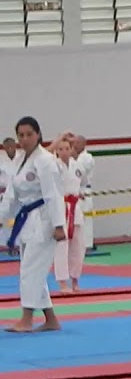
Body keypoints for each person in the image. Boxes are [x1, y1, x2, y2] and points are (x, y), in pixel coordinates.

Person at [0, 118, 66, 332]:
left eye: (29, 134)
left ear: (38, 134)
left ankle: (26, 319)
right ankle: (51, 319)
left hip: (45, 219)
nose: (24, 139)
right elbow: (11, 197)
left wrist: (59, 225)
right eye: (21, 135)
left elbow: (53, 195)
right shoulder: (20, 160)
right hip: (28, 220)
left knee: (30, 270)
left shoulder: (46, 161)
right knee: (34, 269)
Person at [53, 136, 87, 292]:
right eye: (61, 149)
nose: (64, 152)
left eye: (67, 149)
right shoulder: (53, 167)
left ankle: (75, 280)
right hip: (60, 207)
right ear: (56, 151)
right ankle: (62, 282)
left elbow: (83, 184)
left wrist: (80, 193)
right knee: (61, 246)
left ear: (71, 149)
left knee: (78, 246)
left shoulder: (78, 167)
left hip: (76, 208)